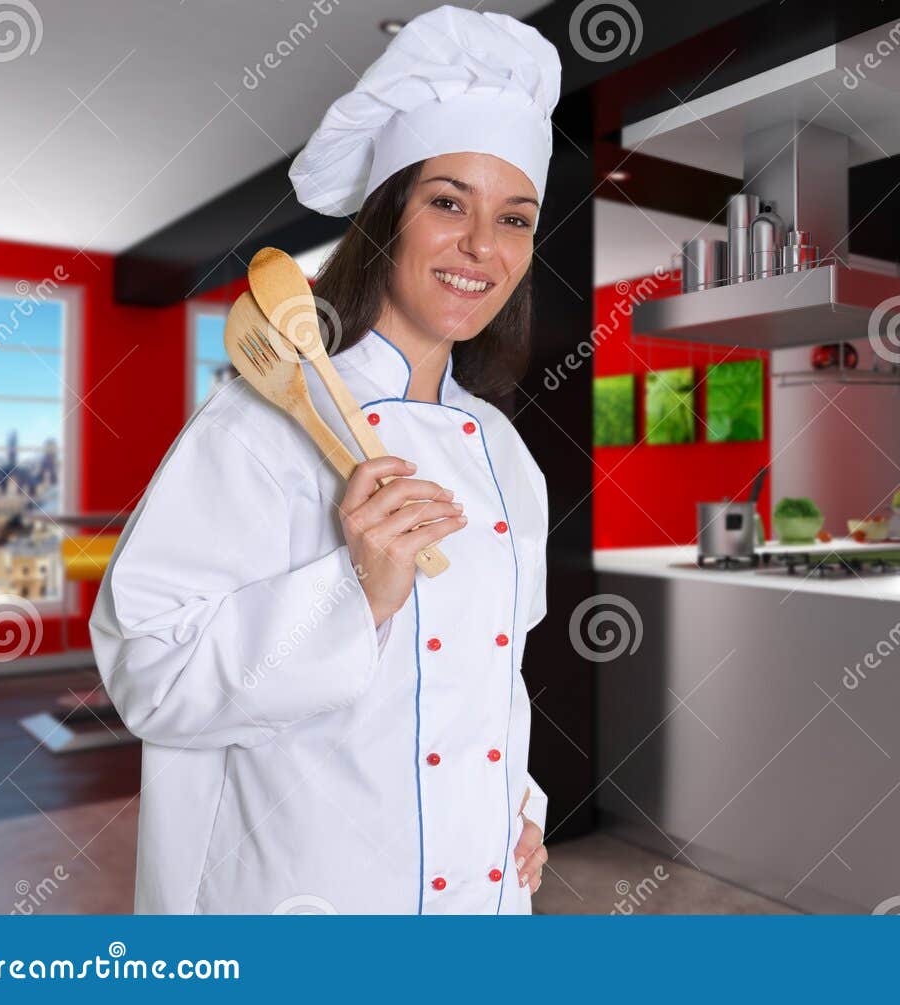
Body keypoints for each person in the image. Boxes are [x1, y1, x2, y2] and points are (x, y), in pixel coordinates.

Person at [89, 6, 562, 915]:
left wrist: (518, 804)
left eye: (514, 218)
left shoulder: (502, 449)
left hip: (479, 899)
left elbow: (489, 676)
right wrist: (357, 593)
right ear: (388, 217)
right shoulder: (262, 421)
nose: (481, 246)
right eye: (448, 202)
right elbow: (147, 670)